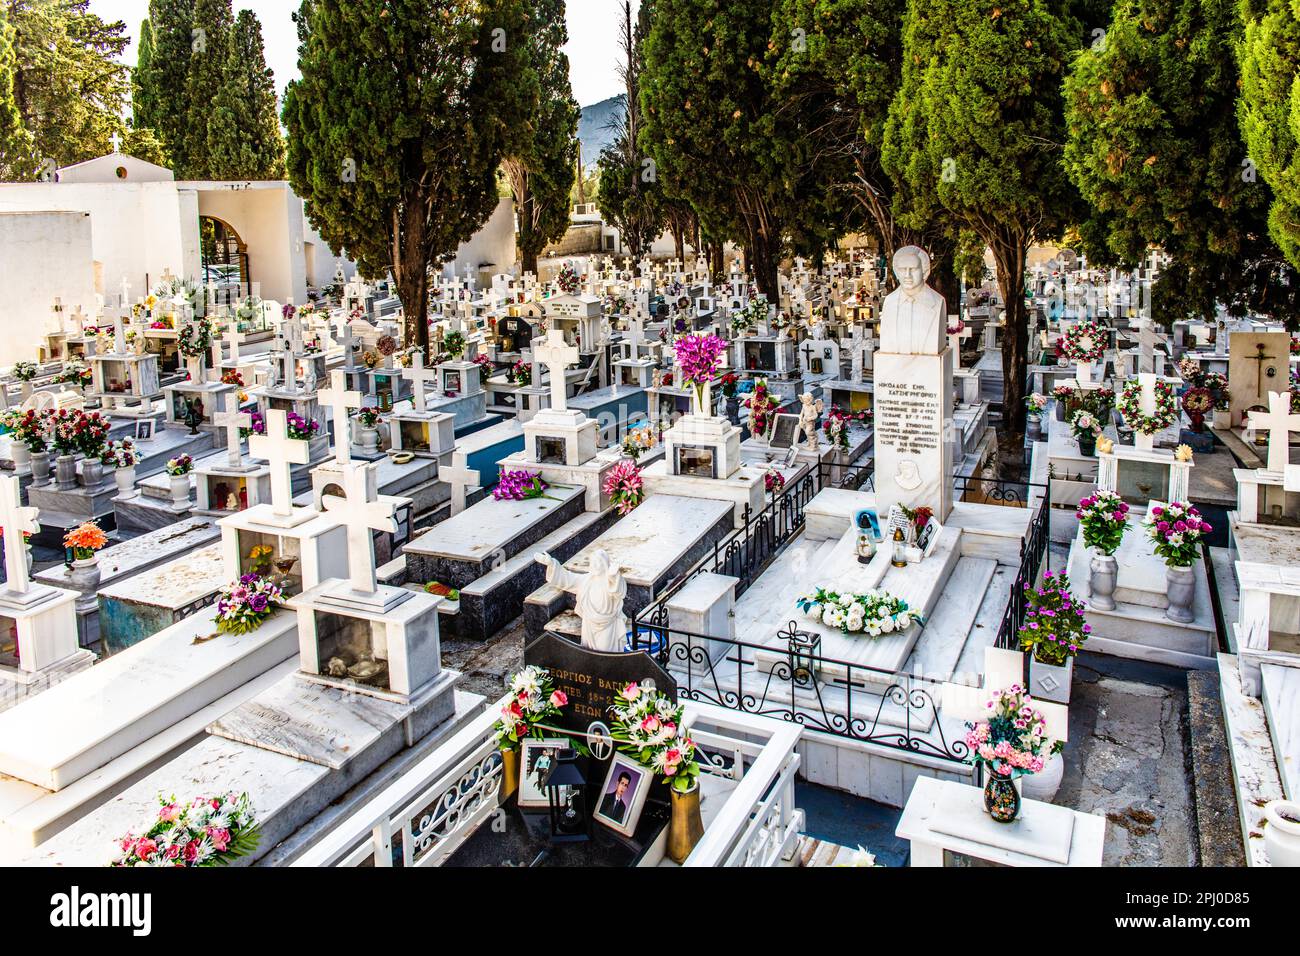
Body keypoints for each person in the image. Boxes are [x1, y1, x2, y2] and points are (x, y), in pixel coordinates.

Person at [878, 246, 947, 355]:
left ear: (925, 271)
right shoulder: (889, 303)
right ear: (896, 272)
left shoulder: (937, 302)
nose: (907, 275)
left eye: (913, 269)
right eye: (902, 269)